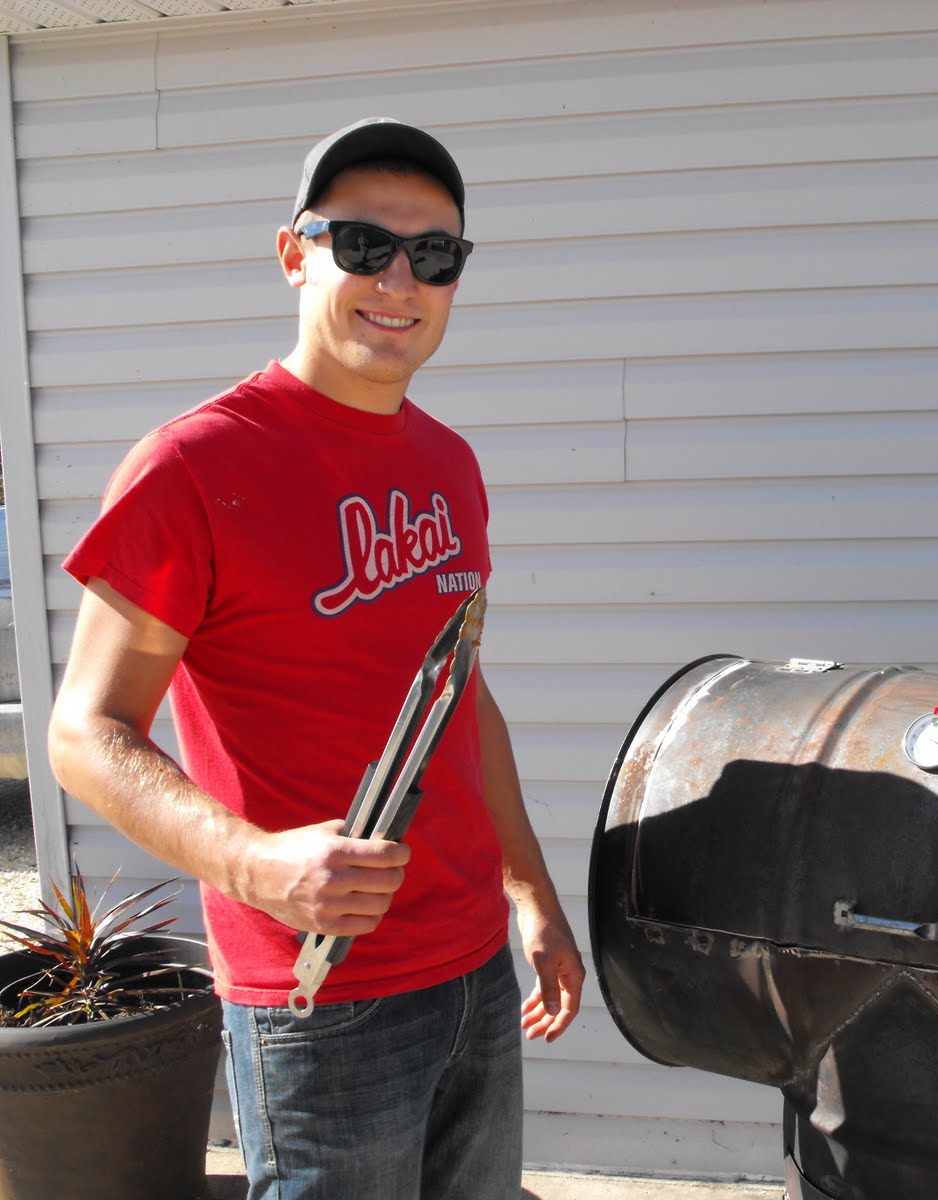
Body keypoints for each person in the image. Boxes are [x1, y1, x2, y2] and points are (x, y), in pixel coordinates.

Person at [47, 118, 584, 1199]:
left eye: (435, 255)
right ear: (295, 254)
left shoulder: (449, 465)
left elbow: (455, 696)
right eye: (363, 244)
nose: (400, 278)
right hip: (322, 996)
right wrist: (258, 867)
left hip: (474, 967)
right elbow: (83, 733)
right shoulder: (194, 467)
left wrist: (530, 891)